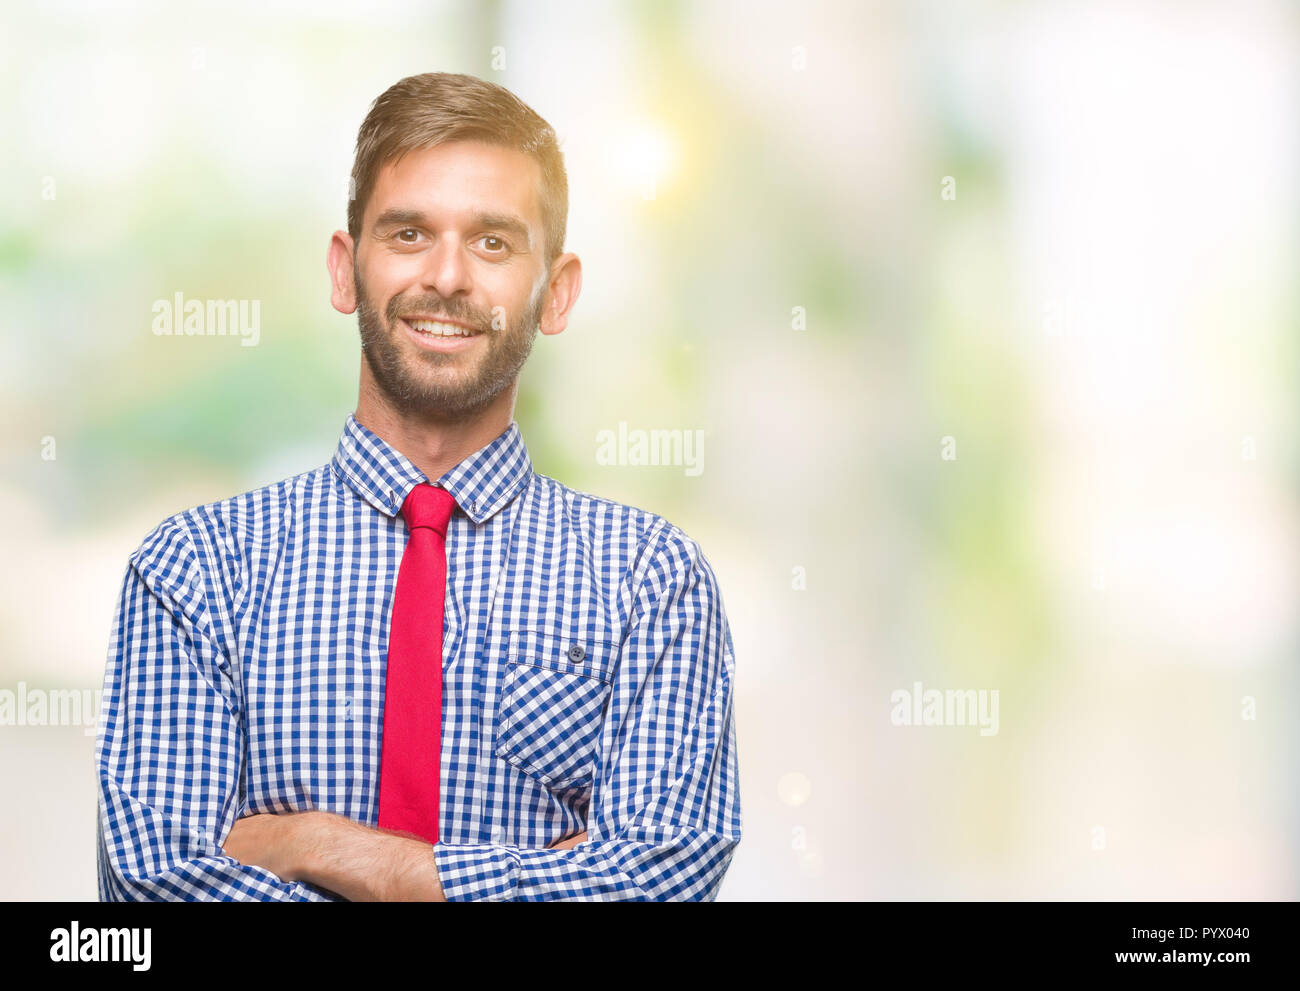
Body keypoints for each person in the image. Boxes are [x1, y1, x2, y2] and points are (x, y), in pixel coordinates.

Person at [95, 72, 742, 901]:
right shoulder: (195, 569)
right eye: (408, 234)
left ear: (557, 292)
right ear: (344, 271)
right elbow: (155, 884)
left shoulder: (651, 580)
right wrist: (548, 873)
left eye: (493, 243)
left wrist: (327, 847)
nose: (446, 276)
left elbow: (658, 879)